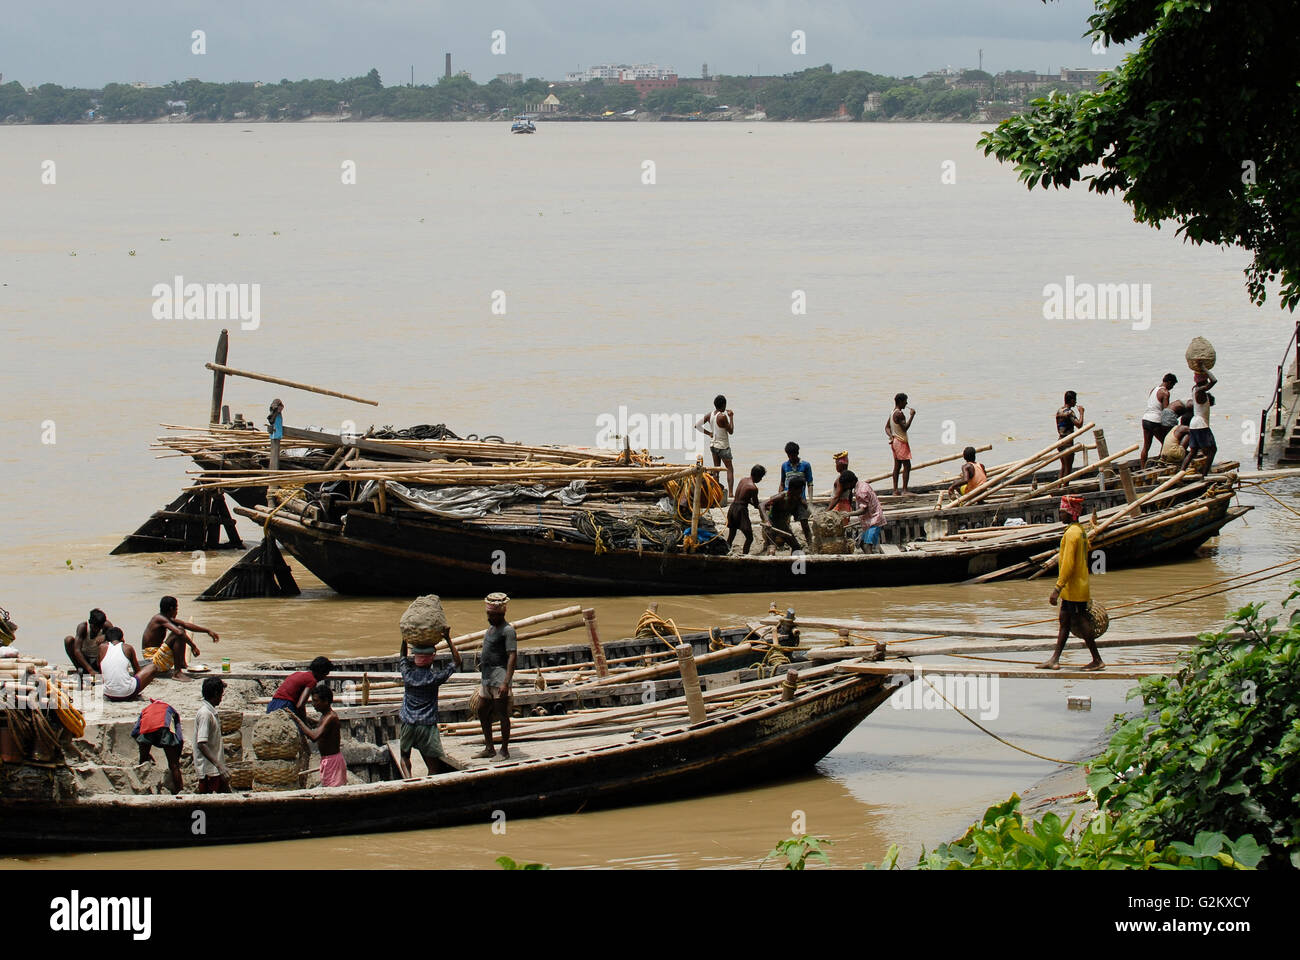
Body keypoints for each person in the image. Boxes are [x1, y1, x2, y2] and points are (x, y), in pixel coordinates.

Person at [1039, 495, 1104, 671]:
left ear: (1070, 514)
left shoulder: (1071, 534)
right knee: (1064, 621)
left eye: (1062, 512)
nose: (1060, 515)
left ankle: (1097, 660)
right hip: (1077, 586)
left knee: (1081, 622)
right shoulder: (1080, 531)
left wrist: (1057, 589)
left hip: (1073, 587)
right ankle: (1054, 659)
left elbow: (1067, 564)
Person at [397, 627, 462, 776]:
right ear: (431, 659)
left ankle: (409, 782)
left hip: (409, 723)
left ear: (415, 658)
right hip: (427, 726)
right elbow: (457, 661)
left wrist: (404, 639)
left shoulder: (408, 675)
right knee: (434, 767)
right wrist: (447, 638)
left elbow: (402, 657)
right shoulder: (434, 678)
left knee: (404, 756)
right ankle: (429, 787)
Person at [477, 593, 518, 760]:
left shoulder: (508, 630)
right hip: (487, 677)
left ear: (500, 614)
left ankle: (504, 750)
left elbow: (512, 656)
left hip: (499, 677)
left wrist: (506, 682)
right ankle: (489, 747)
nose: (489, 617)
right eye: (488, 614)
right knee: (481, 710)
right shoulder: (491, 628)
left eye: (491, 615)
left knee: (502, 713)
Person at [140, 596, 220, 673]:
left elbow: (185, 624)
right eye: (177, 609)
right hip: (152, 662)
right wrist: (193, 646)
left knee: (180, 629)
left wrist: (208, 631)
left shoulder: (165, 618)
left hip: (157, 659)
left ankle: (181, 664)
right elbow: (179, 632)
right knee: (179, 632)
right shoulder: (159, 619)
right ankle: (177, 672)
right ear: (172, 609)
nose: (177, 612)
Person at [287, 684, 346, 787]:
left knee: (332, 795)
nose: (313, 704)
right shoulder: (325, 716)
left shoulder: (331, 717)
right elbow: (318, 726)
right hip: (327, 760)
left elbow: (314, 736)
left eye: (316, 701)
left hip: (332, 762)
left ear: (326, 701)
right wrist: (304, 718)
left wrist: (297, 719)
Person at [131, 700, 184, 795]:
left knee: (142, 762)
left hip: (147, 726)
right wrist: (176, 756)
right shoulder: (171, 710)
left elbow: (135, 733)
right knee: (174, 765)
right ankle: (180, 791)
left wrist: (145, 752)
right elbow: (179, 737)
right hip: (164, 726)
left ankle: (140, 790)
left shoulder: (145, 710)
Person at [98, 627, 159, 701]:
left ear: (107, 640)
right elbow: (137, 670)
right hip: (128, 693)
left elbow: (101, 671)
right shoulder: (128, 648)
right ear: (122, 638)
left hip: (108, 693)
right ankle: (132, 691)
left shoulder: (101, 648)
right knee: (153, 667)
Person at [694, 395, 736, 499]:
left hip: (713, 445)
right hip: (723, 446)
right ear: (724, 405)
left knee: (716, 469)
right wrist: (731, 417)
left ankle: (716, 492)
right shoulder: (722, 416)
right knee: (729, 468)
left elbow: (697, 426)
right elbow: (730, 431)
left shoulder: (710, 415)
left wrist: (709, 433)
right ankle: (730, 493)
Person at [194, 676, 230, 793]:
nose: (221, 698)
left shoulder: (210, 712)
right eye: (221, 694)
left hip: (214, 769)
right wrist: (219, 766)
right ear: (215, 694)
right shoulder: (205, 714)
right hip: (209, 770)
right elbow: (202, 744)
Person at [267, 656, 334, 718]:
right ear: (321, 672)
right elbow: (300, 706)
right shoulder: (312, 680)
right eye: (325, 674)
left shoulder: (297, 674)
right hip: (285, 706)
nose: (324, 677)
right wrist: (305, 722)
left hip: (273, 704)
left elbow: (300, 704)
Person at [1182, 372, 1218, 476]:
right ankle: (1204, 475)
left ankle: (1181, 471)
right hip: (1201, 425)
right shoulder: (1200, 391)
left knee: (1193, 452)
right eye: (1206, 380)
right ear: (1204, 381)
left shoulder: (1194, 389)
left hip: (1194, 424)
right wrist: (1204, 369)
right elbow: (1214, 381)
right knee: (1212, 450)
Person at [727, 465, 769, 555]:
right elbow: (756, 504)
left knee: (731, 535)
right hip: (741, 511)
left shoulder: (743, 480)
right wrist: (765, 507)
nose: (760, 480)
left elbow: (743, 498)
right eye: (761, 477)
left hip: (732, 507)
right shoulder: (753, 488)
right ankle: (744, 555)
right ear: (758, 476)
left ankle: (725, 551)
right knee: (749, 537)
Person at [1139, 373, 1178, 469]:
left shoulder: (1154, 389)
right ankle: (1161, 464)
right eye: (1172, 385)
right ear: (1169, 382)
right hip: (1155, 421)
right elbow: (1166, 411)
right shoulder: (1165, 393)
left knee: (1146, 446)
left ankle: (1143, 467)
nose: (1172, 388)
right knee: (1165, 442)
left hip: (1146, 419)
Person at [778, 442, 814, 542]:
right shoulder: (784, 465)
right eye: (789, 455)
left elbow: (810, 483)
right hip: (787, 499)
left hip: (800, 500)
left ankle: (810, 544)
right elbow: (782, 483)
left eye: (793, 455)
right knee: (784, 522)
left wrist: (810, 502)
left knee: (804, 523)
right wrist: (779, 496)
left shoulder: (805, 465)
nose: (791, 457)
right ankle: (788, 542)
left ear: (797, 453)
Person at [762, 475, 806, 553]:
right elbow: (762, 505)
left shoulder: (798, 499)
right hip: (771, 526)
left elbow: (806, 510)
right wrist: (766, 521)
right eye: (800, 489)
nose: (801, 492)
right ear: (793, 489)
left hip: (783, 526)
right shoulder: (782, 496)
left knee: (797, 548)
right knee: (772, 550)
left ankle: (793, 564)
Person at [843, 475, 886, 552]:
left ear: (851, 482)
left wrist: (849, 514)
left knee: (867, 545)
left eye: (846, 484)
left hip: (874, 520)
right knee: (863, 544)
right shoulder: (862, 484)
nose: (845, 487)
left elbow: (863, 510)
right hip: (871, 518)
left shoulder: (861, 491)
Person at [64, 608, 113, 674]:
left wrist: (106, 637)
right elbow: (77, 650)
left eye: (99, 627)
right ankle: (80, 669)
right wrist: (90, 669)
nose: (97, 630)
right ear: (90, 623)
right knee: (68, 640)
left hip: (99, 659)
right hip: (85, 658)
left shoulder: (107, 626)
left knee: (108, 644)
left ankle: (102, 669)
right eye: (95, 627)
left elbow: (120, 641)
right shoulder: (83, 627)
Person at [885, 393, 916, 495]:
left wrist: (891, 436)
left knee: (897, 466)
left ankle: (895, 490)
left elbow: (887, 428)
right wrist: (912, 416)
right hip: (901, 442)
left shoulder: (892, 412)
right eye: (905, 401)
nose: (906, 403)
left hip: (895, 442)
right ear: (900, 401)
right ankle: (905, 490)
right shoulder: (899, 414)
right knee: (907, 465)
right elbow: (905, 427)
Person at [1055, 391, 1085, 482]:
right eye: (1075, 401)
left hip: (1060, 441)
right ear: (1071, 400)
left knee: (1063, 466)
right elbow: (1079, 425)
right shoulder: (1069, 412)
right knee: (1068, 468)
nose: (1075, 403)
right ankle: (1064, 487)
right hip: (1067, 442)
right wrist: (1081, 413)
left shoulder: (1059, 411)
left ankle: (1059, 486)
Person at [268, 398, 285, 471]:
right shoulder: (275, 414)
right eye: (280, 408)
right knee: (274, 452)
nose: (281, 409)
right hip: (275, 436)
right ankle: (273, 470)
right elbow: (273, 423)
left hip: (277, 434)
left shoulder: (278, 414)